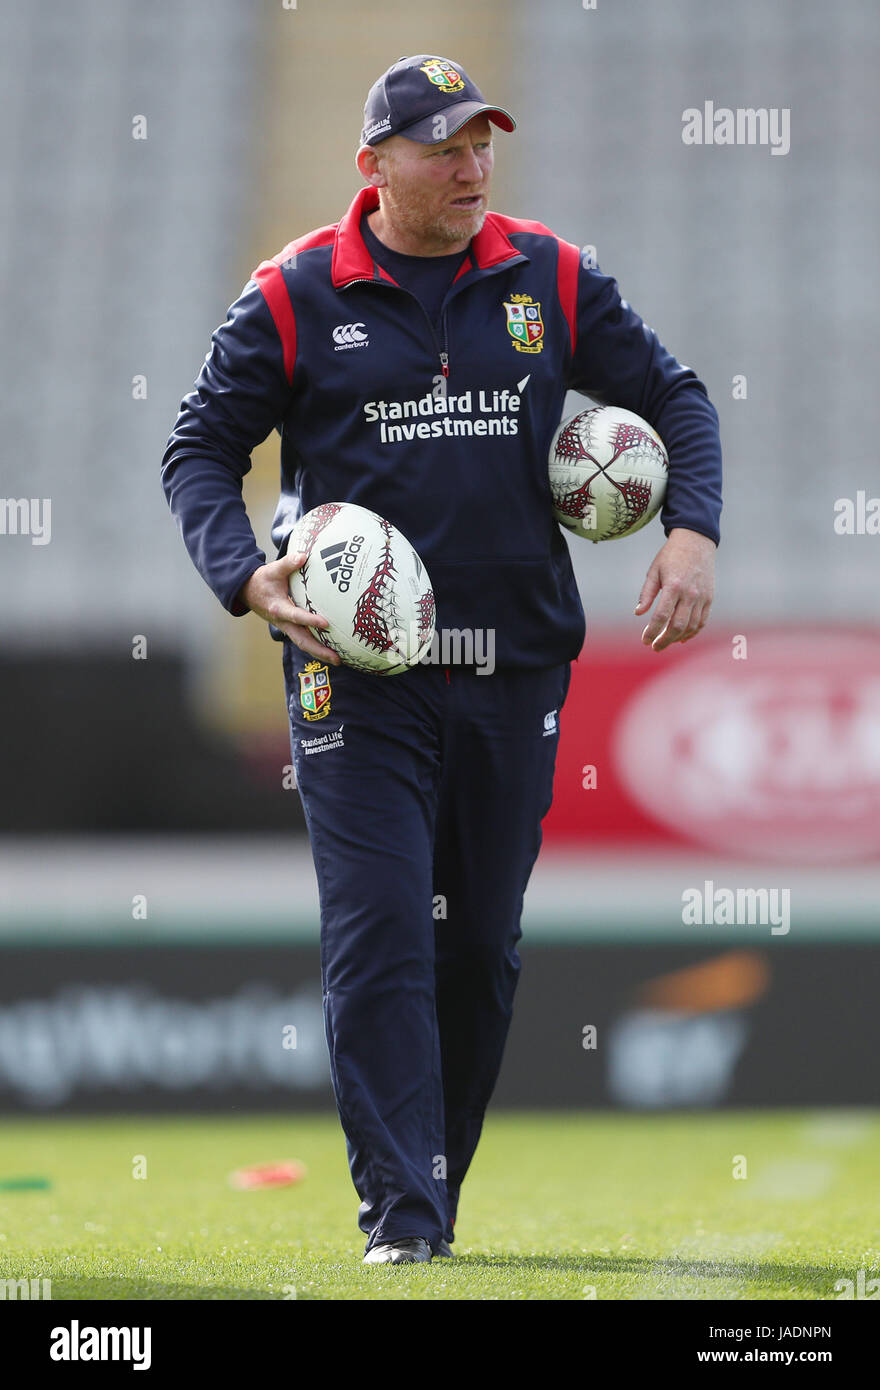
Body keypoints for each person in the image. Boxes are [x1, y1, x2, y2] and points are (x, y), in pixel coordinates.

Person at [161, 54, 722, 1265]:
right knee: (377, 933)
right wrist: (245, 575)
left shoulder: (552, 276)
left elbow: (676, 398)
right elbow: (199, 452)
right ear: (375, 166)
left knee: (476, 948)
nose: (472, 166)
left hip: (513, 667)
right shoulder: (292, 292)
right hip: (351, 676)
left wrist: (690, 531)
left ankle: (430, 1187)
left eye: (482, 143)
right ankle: (404, 1224)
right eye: (442, 146)